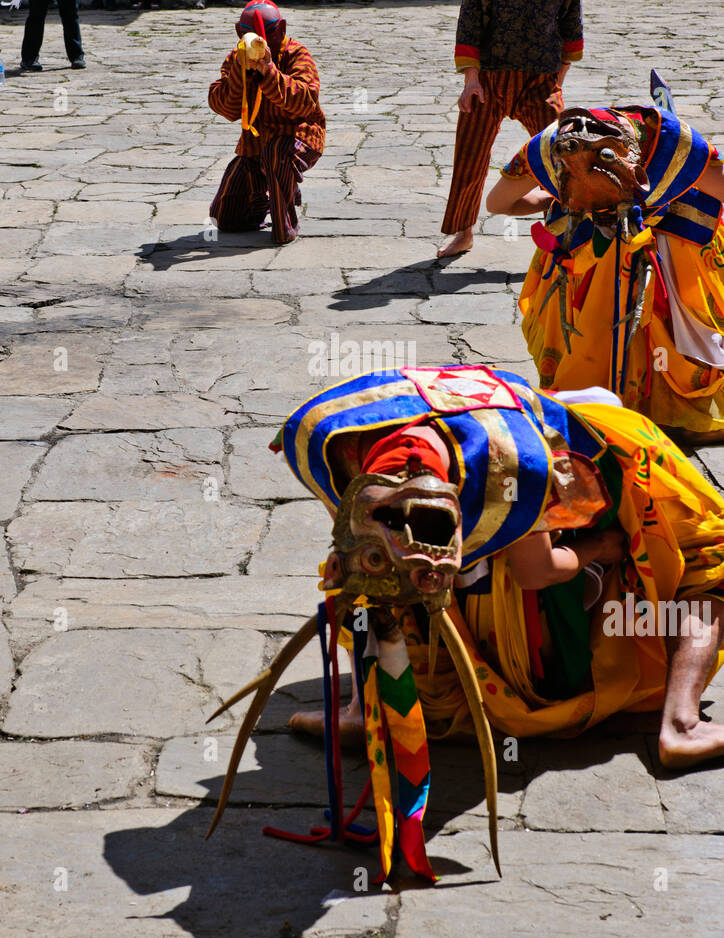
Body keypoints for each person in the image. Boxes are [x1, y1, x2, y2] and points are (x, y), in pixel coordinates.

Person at [217, 363, 724, 879]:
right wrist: (601, 548)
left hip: (466, 609)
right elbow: (541, 572)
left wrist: (594, 543)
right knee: (709, 568)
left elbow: (530, 569)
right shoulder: (342, 441)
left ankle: (358, 707)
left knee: (357, 572)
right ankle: (681, 725)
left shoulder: (352, 437)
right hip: (507, 635)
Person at [486, 96, 724, 440]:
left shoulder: (543, 149)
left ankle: (592, 403)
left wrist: (558, 195)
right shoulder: (673, 142)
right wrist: (673, 194)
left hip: (583, 258)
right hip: (668, 256)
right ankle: (665, 409)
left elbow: (500, 203)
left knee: (590, 331)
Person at [437, 0, 583, 258]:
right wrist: (471, 80)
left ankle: (571, 218)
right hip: (489, 79)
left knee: (562, 152)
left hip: (540, 79)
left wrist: (558, 81)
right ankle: (463, 230)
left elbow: (571, 26)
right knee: (469, 153)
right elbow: (470, 22)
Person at [208, 0, 325, 245]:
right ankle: (269, 195)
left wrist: (269, 71)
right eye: (251, 35)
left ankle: (285, 226)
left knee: (277, 154)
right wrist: (241, 75)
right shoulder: (235, 59)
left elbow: (304, 102)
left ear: (281, 29)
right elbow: (225, 108)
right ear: (240, 33)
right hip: (256, 144)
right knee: (224, 218)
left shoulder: (297, 54)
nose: (262, 40)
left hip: (299, 138)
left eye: (269, 34)